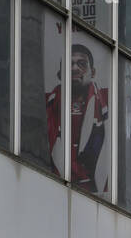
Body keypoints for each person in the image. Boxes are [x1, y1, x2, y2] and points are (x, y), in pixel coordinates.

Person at [46, 43, 110, 196]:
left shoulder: (108, 100)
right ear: (60, 74)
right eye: (70, 64)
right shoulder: (46, 103)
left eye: (82, 64)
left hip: (97, 193)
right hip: (55, 189)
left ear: (92, 72)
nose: (74, 68)